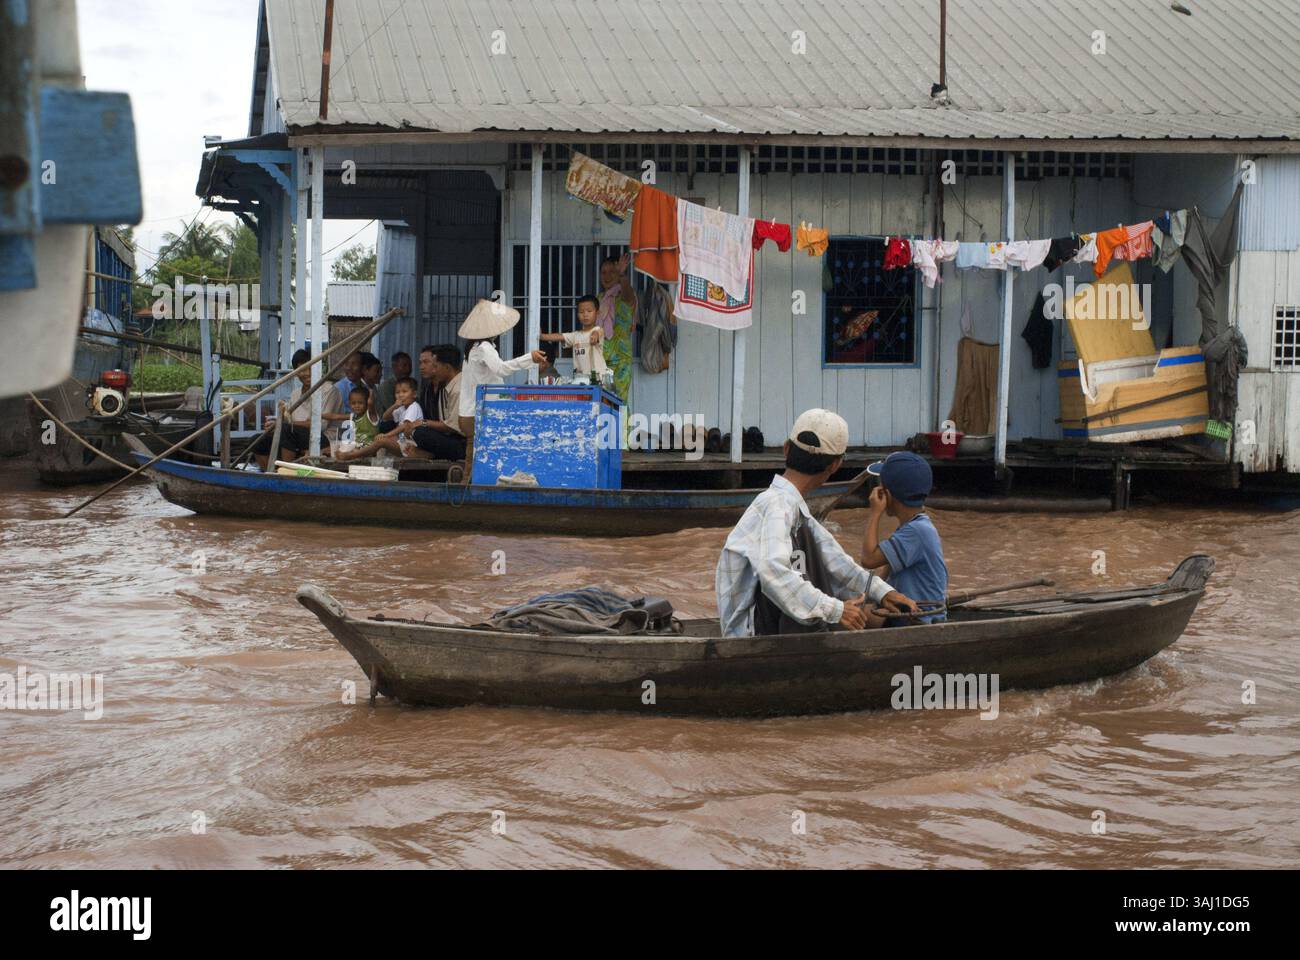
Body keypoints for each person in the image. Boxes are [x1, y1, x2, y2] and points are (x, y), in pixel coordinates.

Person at [716, 409, 919, 637]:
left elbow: (837, 562)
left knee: (817, 551)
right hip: (749, 634)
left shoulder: (793, 510)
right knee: (804, 565)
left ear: (785, 448)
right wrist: (836, 610)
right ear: (834, 466)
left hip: (765, 623)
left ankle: (822, 630)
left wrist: (883, 592)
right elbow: (774, 572)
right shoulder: (776, 506)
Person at [862, 452, 948, 625]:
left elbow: (868, 559)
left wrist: (875, 513)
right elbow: (883, 576)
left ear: (888, 495)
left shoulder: (916, 531)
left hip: (918, 619)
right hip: (905, 611)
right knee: (851, 602)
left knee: (842, 614)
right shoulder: (914, 526)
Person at [457, 299, 546, 455]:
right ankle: (468, 479)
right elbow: (501, 369)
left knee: (476, 453)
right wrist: (529, 357)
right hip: (477, 411)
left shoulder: (472, 348)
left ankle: (468, 479)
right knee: (478, 455)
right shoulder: (485, 347)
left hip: (468, 412)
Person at [252, 348, 347, 469]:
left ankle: (288, 473)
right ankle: (270, 474)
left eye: (310, 369)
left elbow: (320, 425)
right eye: (301, 370)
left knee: (287, 430)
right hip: (297, 436)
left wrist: (285, 425)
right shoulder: (295, 394)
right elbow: (289, 419)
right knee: (257, 440)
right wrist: (275, 423)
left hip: (325, 438)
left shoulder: (329, 390)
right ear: (296, 372)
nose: (306, 373)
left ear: (318, 369)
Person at [341, 376, 423, 460]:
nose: (401, 395)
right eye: (397, 393)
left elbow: (404, 426)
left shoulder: (414, 407)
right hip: (403, 441)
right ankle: (363, 454)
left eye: (404, 392)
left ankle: (354, 455)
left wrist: (386, 435)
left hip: (411, 444)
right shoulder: (402, 408)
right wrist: (395, 405)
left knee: (382, 440)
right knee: (381, 439)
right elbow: (385, 417)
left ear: (414, 394)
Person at [410, 344, 466, 460]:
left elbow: (451, 427)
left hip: (461, 443)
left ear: (447, 367)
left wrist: (423, 423)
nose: (433, 370)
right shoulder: (445, 386)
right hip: (450, 438)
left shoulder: (458, 389)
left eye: (435, 366)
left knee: (420, 433)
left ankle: (432, 455)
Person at [597, 254, 637, 402]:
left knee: (619, 402)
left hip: (621, 359)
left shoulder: (626, 294)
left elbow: (628, 294)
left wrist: (622, 274)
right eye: (603, 272)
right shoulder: (598, 299)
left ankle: (623, 427)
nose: (607, 276)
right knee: (602, 402)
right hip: (601, 359)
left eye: (612, 272)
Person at [540, 295, 606, 379]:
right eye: (581, 312)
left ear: (597, 313)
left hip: (598, 378)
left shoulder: (598, 330)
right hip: (581, 378)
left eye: (589, 311)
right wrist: (542, 336)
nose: (585, 315)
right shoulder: (575, 335)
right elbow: (560, 336)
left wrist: (594, 336)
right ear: (577, 314)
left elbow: (598, 332)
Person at [375, 351, 411, 430]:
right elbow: (393, 411)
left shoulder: (410, 384)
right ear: (394, 367)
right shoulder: (386, 386)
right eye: (404, 365)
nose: (408, 369)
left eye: (409, 365)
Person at [342, 384, 380, 449]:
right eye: (353, 403)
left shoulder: (370, 415)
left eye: (360, 403)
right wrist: (320, 415)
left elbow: (370, 403)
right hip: (355, 447)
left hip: (368, 449)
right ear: (349, 403)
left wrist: (371, 392)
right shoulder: (353, 416)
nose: (357, 406)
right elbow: (335, 416)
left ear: (366, 403)